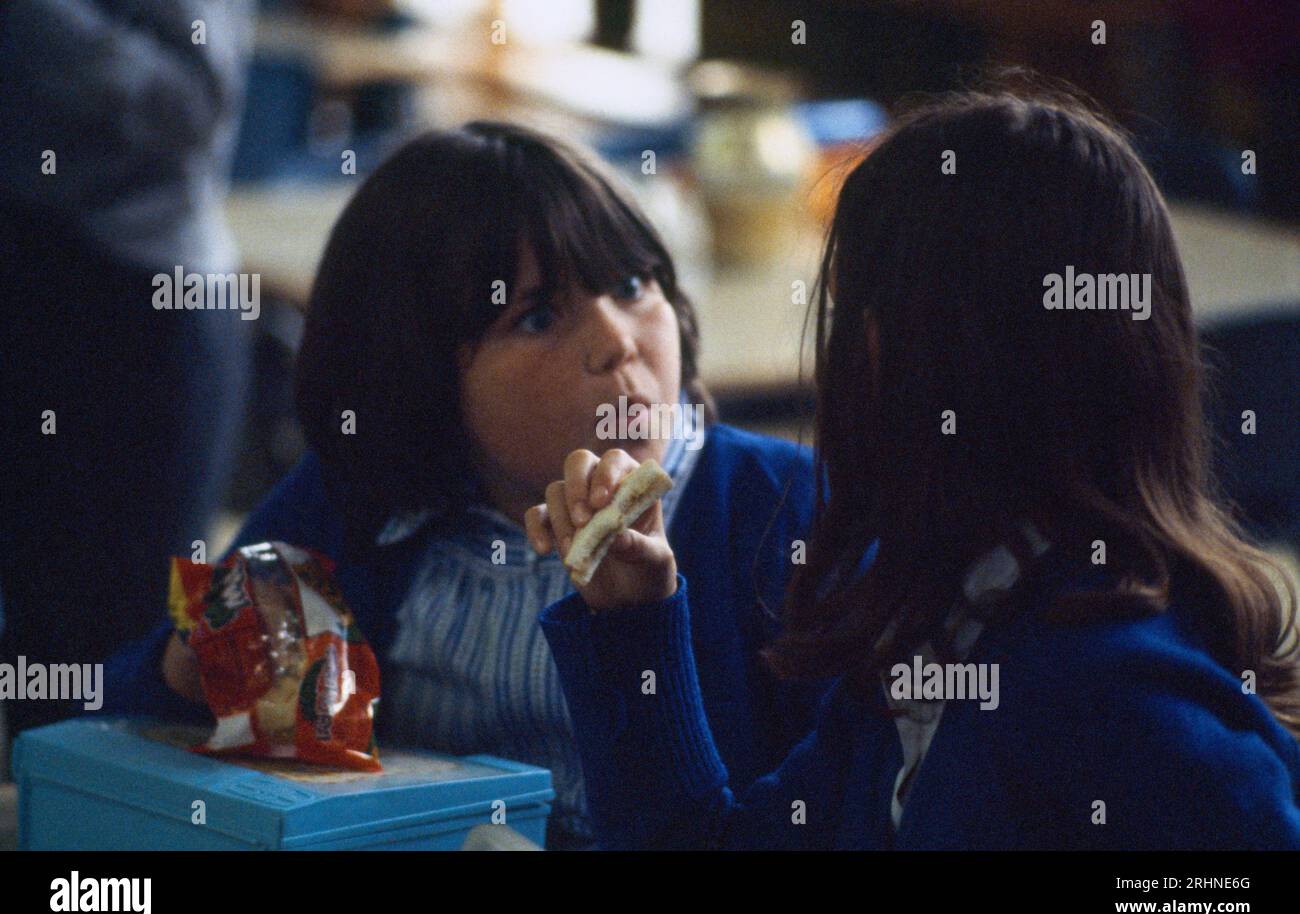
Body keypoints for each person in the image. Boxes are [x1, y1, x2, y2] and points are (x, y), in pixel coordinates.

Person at [527, 90, 1300, 849]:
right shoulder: (942, 631)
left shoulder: (1113, 692)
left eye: (849, 310)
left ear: (889, 353)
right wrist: (633, 618)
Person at [104, 123, 822, 849]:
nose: (618, 340)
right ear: (423, 381)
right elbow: (123, 717)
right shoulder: (363, 498)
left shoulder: (778, 509)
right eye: (537, 317)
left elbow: (833, 812)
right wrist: (193, 667)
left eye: (633, 284)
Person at [0, 1, 254, 736]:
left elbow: (188, 110)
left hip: (137, 311)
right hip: (31, 275)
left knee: (105, 685)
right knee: (39, 667)